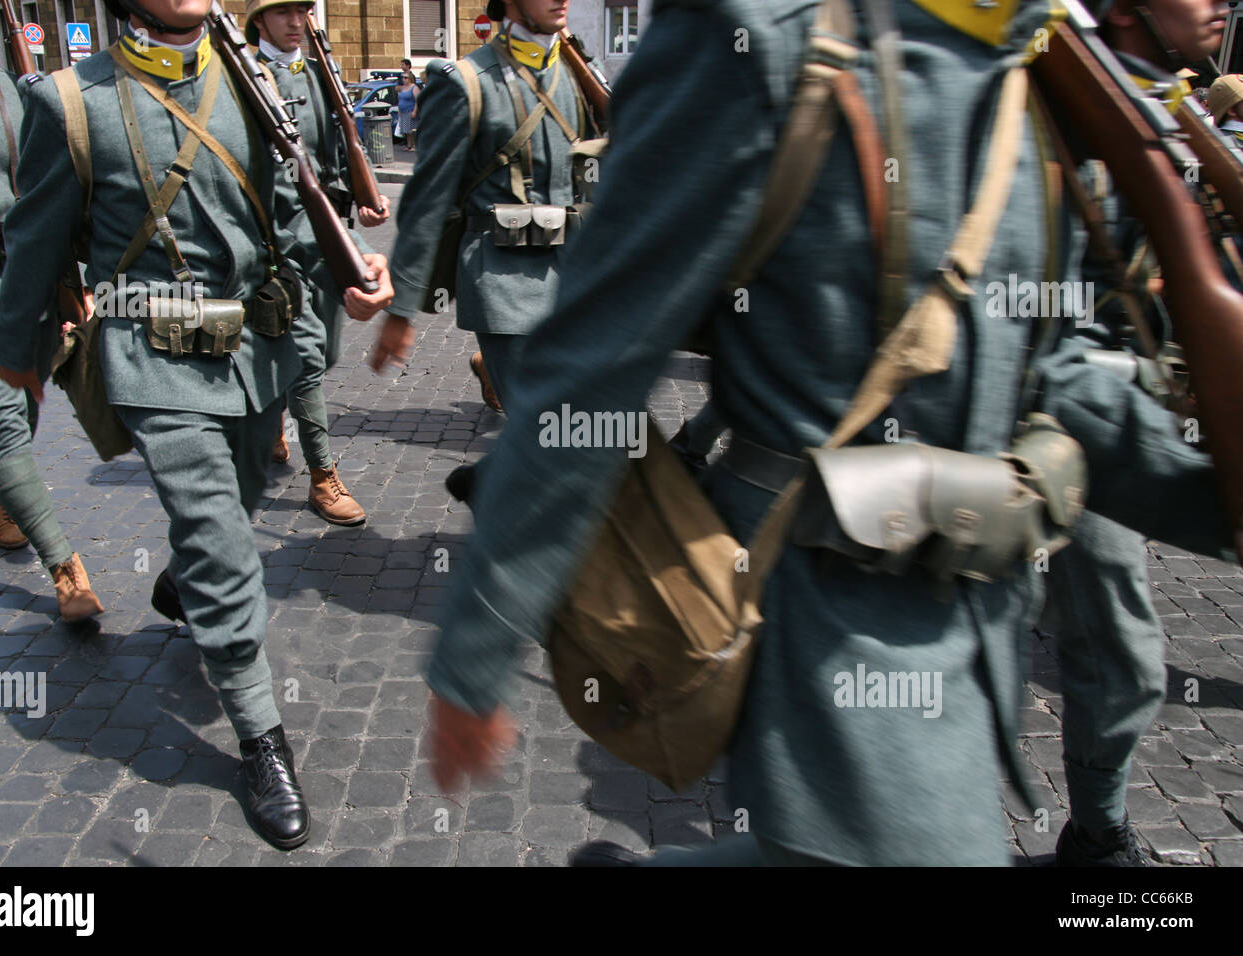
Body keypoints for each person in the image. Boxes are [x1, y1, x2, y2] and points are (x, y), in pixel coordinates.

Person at [418, 0, 1235, 865]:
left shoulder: (1020, 62)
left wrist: (1211, 502)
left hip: (977, 614)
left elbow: (1055, 361)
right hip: (821, 610)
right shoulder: (762, 35)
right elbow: (592, 362)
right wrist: (480, 641)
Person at [0, 0, 392, 849]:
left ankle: (184, 583)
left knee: (235, 507)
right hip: (154, 357)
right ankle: (259, 733)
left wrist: (349, 271)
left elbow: (291, 216)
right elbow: (36, 240)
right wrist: (15, 349)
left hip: (260, 348)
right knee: (219, 537)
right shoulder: (70, 102)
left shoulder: (257, 85)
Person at [1035, 0, 1231, 867]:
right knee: (1117, 644)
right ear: (1124, 9)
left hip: (1140, 408)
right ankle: (1101, 835)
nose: (1218, 3)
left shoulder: (1168, 112)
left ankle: (1092, 831)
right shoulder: (1071, 110)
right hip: (1067, 427)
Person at [372, 0, 590, 504]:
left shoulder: (576, 71)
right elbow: (427, 202)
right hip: (504, 284)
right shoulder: (464, 81)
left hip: (576, 283)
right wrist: (403, 308)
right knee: (552, 431)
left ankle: (496, 476)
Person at [0, 0, 102, 622]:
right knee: (3, 425)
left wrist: (69, 282)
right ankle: (65, 568)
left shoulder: (16, 89)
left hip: (27, 285)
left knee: (25, 410)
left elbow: (48, 198)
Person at [247, 0, 390, 526]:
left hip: (330, 235)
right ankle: (323, 475)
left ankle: (280, 407)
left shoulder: (317, 74)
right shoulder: (246, 75)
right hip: (277, 242)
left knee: (325, 353)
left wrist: (366, 191)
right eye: (282, 12)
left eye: (303, 10)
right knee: (308, 361)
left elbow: (342, 148)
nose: (295, 21)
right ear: (258, 20)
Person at [395, 67, 418, 150]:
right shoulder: (403, 88)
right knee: (406, 130)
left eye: (405, 78)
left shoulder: (414, 88)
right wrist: (399, 110)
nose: (403, 79)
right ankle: (409, 146)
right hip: (403, 112)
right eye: (403, 78)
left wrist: (415, 111)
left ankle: (414, 145)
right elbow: (400, 99)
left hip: (410, 111)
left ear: (410, 78)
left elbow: (417, 101)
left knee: (411, 130)